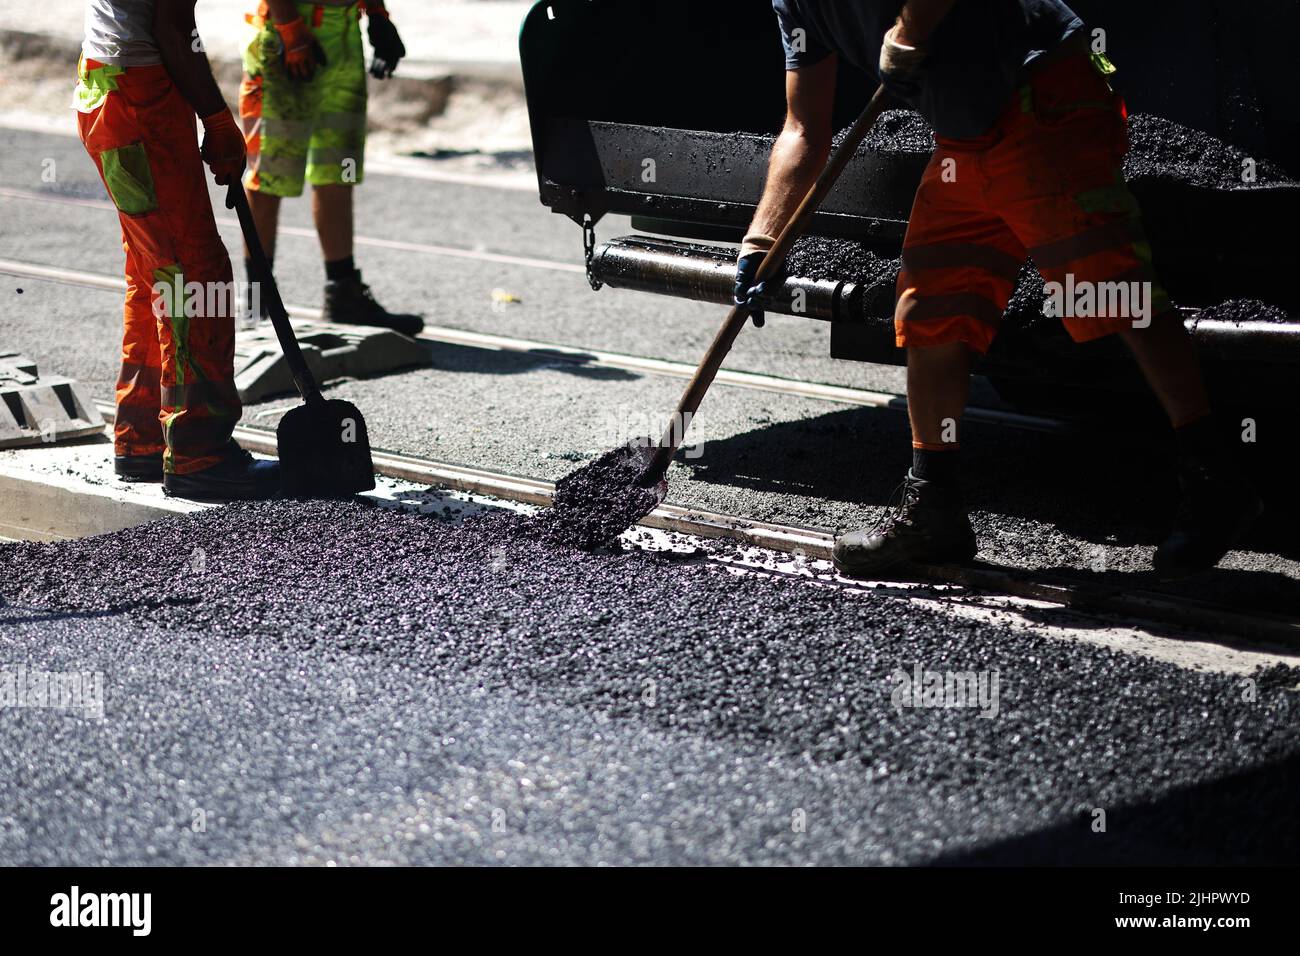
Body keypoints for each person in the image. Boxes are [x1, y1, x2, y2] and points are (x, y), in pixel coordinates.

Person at [735, 0, 1261, 581]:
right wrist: (762, 241)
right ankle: (933, 510)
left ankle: (1217, 483)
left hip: (1042, 95)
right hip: (966, 139)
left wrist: (909, 30)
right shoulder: (797, 6)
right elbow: (804, 125)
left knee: (1111, 289)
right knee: (931, 307)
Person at [76, 0, 280, 500]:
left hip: (106, 84)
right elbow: (173, 26)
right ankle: (198, 452)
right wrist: (217, 118)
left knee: (154, 271)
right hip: (140, 94)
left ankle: (143, 437)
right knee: (196, 277)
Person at [239, 0, 422, 335]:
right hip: (287, 34)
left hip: (345, 33)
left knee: (339, 170)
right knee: (269, 172)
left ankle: (343, 293)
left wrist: (378, 15)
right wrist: (290, 29)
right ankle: (257, 305)